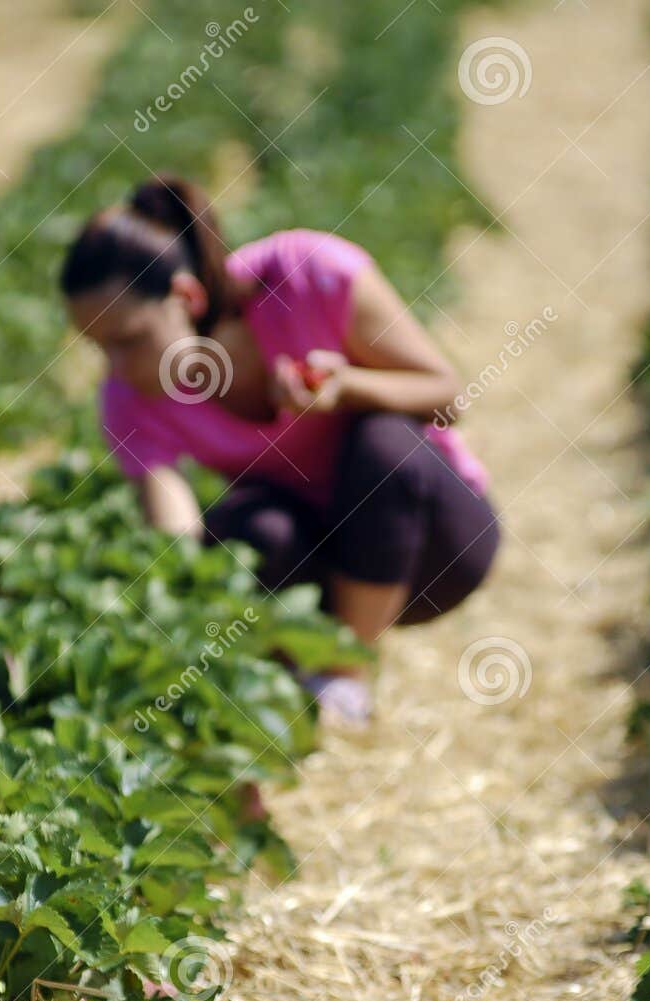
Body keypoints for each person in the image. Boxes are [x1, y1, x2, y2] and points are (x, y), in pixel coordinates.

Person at [61, 174, 499, 724]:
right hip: (314, 561)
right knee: (245, 532)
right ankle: (299, 673)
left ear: (186, 297)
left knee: (383, 443)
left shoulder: (307, 272)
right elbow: (176, 538)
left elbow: (447, 394)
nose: (116, 368)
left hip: (436, 548)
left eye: (128, 340)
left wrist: (350, 389)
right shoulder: (129, 399)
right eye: (99, 348)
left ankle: (343, 672)